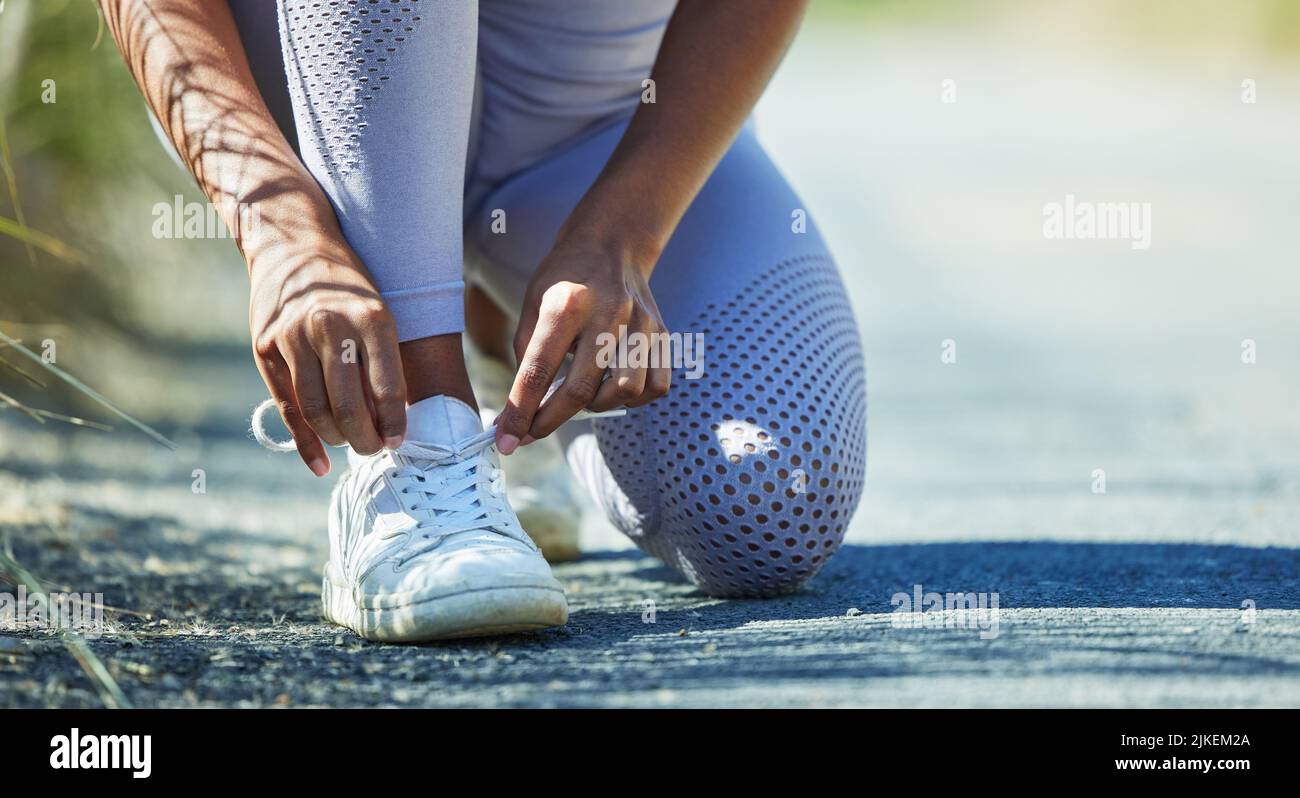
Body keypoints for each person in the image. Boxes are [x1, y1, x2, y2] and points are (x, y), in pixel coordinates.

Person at [103, 0, 867, 642]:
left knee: (767, 511)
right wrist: (275, 223)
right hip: (327, 118)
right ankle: (423, 437)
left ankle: (506, 352)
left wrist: (627, 232)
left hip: (592, 129)